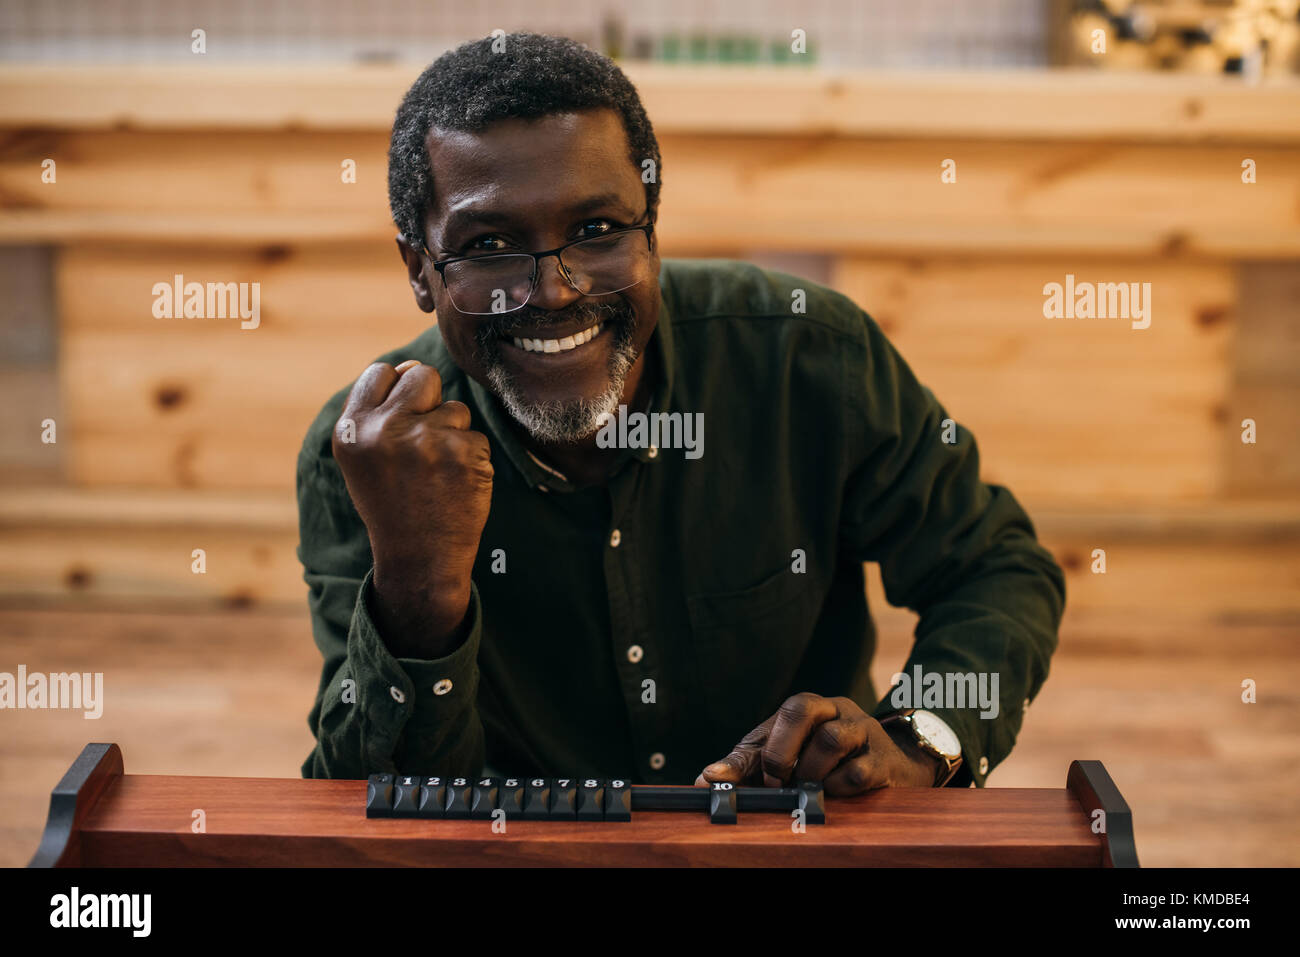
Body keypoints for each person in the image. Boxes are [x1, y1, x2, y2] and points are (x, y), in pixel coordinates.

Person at [297, 33, 1065, 793]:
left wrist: (918, 740)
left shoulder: (806, 357)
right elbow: (369, 804)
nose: (557, 290)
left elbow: (994, 567)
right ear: (418, 270)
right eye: (489, 243)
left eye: (597, 231)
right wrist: (418, 591)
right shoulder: (364, 461)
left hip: (793, 842)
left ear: (652, 234)